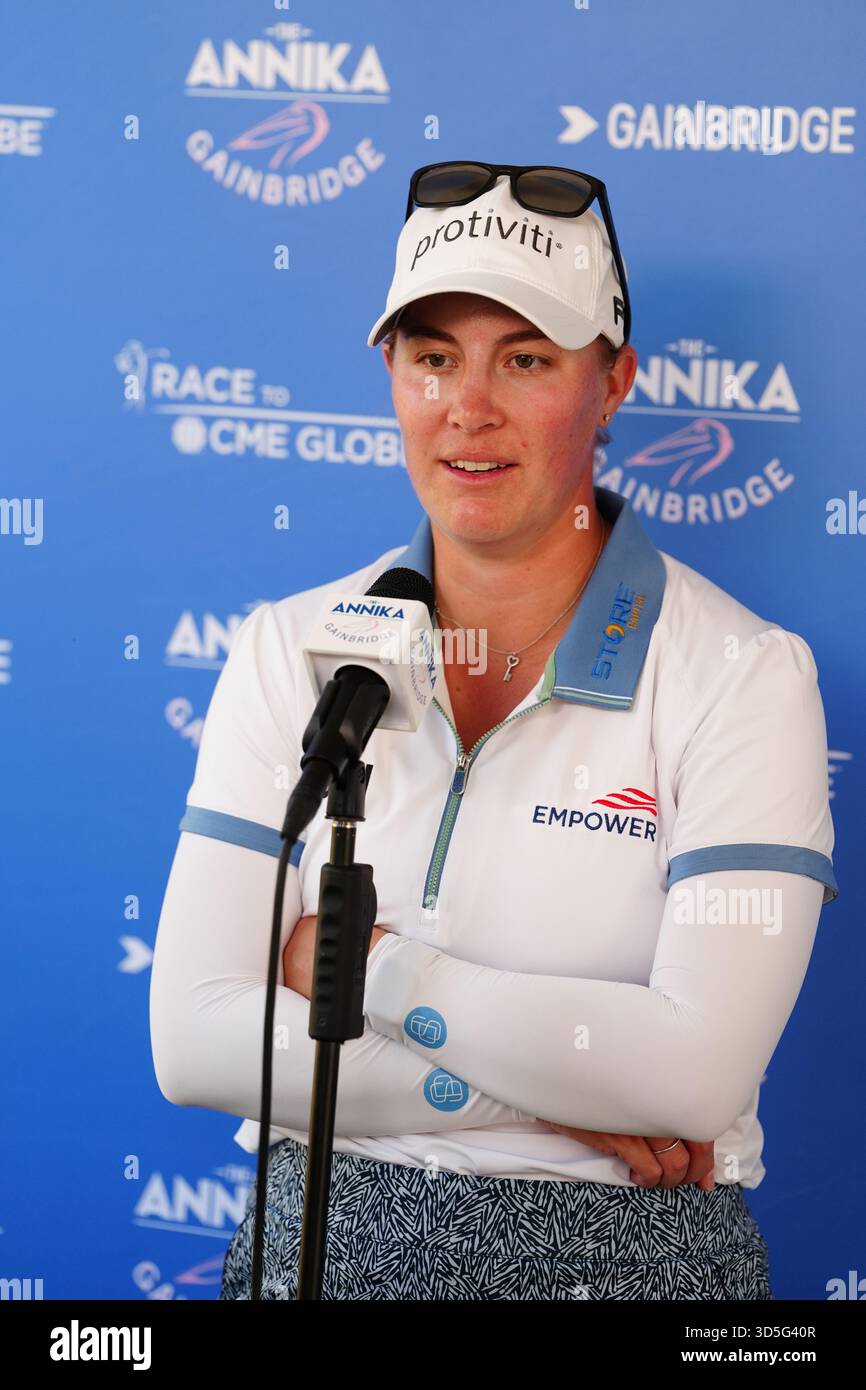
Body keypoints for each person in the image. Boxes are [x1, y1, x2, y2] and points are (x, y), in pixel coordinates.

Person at [149, 162, 839, 1301]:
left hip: (631, 1265)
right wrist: (571, 1091)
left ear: (612, 382)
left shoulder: (741, 674)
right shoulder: (291, 645)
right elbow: (191, 1041)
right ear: (390, 373)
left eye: (524, 359)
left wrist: (364, 966)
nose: (467, 409)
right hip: (314, 1246)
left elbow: (691, 1080)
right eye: (432, 358)